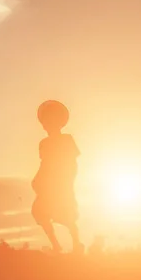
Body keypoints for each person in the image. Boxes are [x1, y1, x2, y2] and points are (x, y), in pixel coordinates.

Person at [32, 100, 84, 254]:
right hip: (47, 185)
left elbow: (73, 162)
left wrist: (66, 180)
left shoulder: (67, 139)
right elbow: (44, 164)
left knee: (67, 216)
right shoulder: (44, 143)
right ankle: (56, 245)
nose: (47, 125)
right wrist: (38, 179)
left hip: (62, 183)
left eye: (51, 120)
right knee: (40, 213)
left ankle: (76, 244)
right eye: (45, 122)